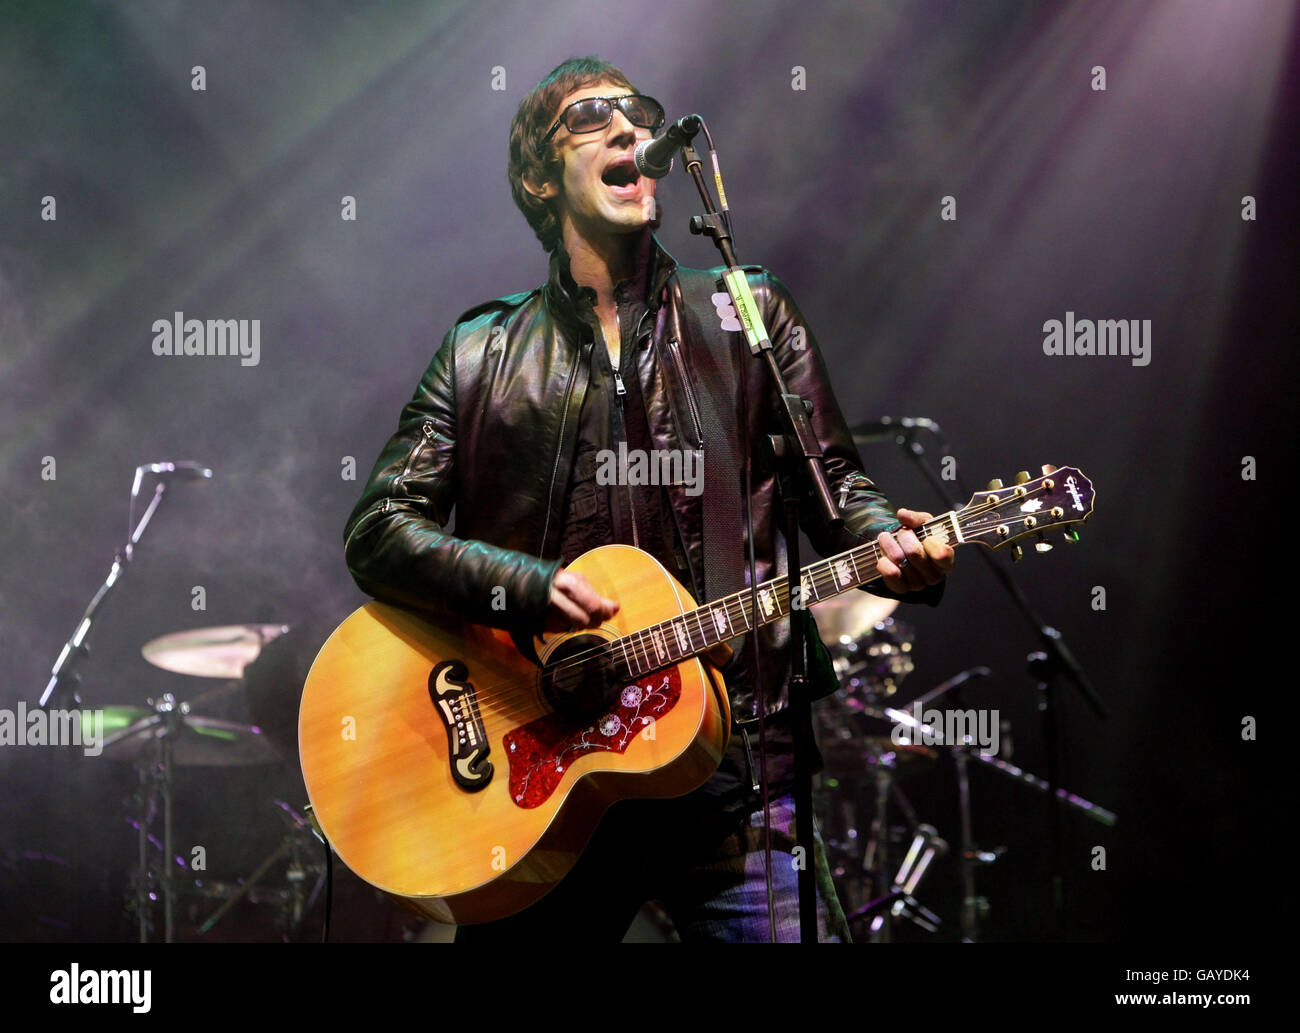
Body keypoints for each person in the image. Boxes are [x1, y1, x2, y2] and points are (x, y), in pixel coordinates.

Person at [342, 56, 955, 942]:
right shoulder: (480, 356)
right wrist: (522, 586)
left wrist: (897, 549)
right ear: (537, 177)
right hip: (547, 790)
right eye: (595, 117)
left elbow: (838, 489)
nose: (631, 129)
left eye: (639, 114)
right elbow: (377, 532)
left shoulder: (749, 313)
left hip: (738, 776)